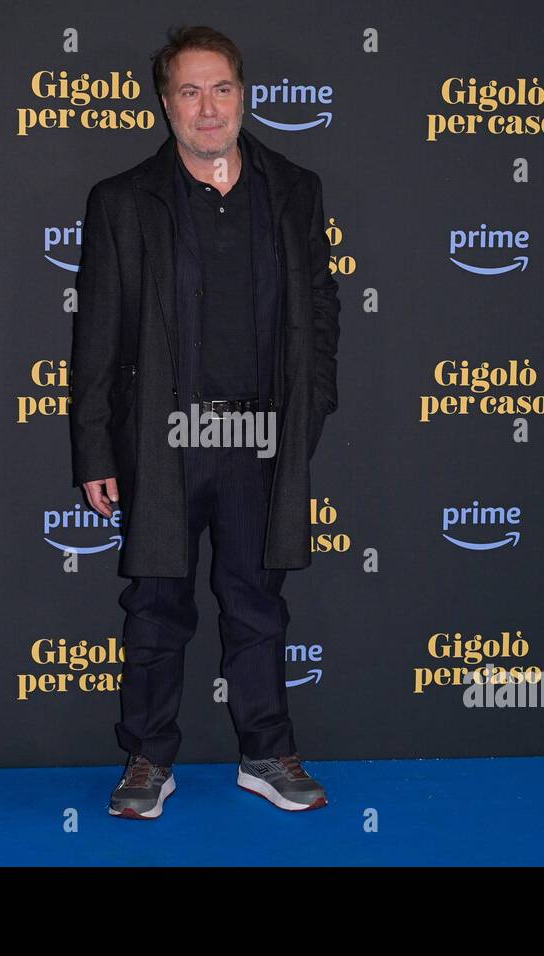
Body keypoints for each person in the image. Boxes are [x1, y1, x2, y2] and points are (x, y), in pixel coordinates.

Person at [68, 25, 341, 818]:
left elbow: (320, 310)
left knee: (258, 599)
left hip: (259, 436)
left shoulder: (293, 188)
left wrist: (311, 406)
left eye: (220, 87)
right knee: (156, 604)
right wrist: (94, 445)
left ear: (243, 93)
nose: (208, 106)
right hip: (162, 440)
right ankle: (148, 759)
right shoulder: (122, 203)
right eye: (189, 90)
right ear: (165, 104)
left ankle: (266, 751)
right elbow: (95, 335)